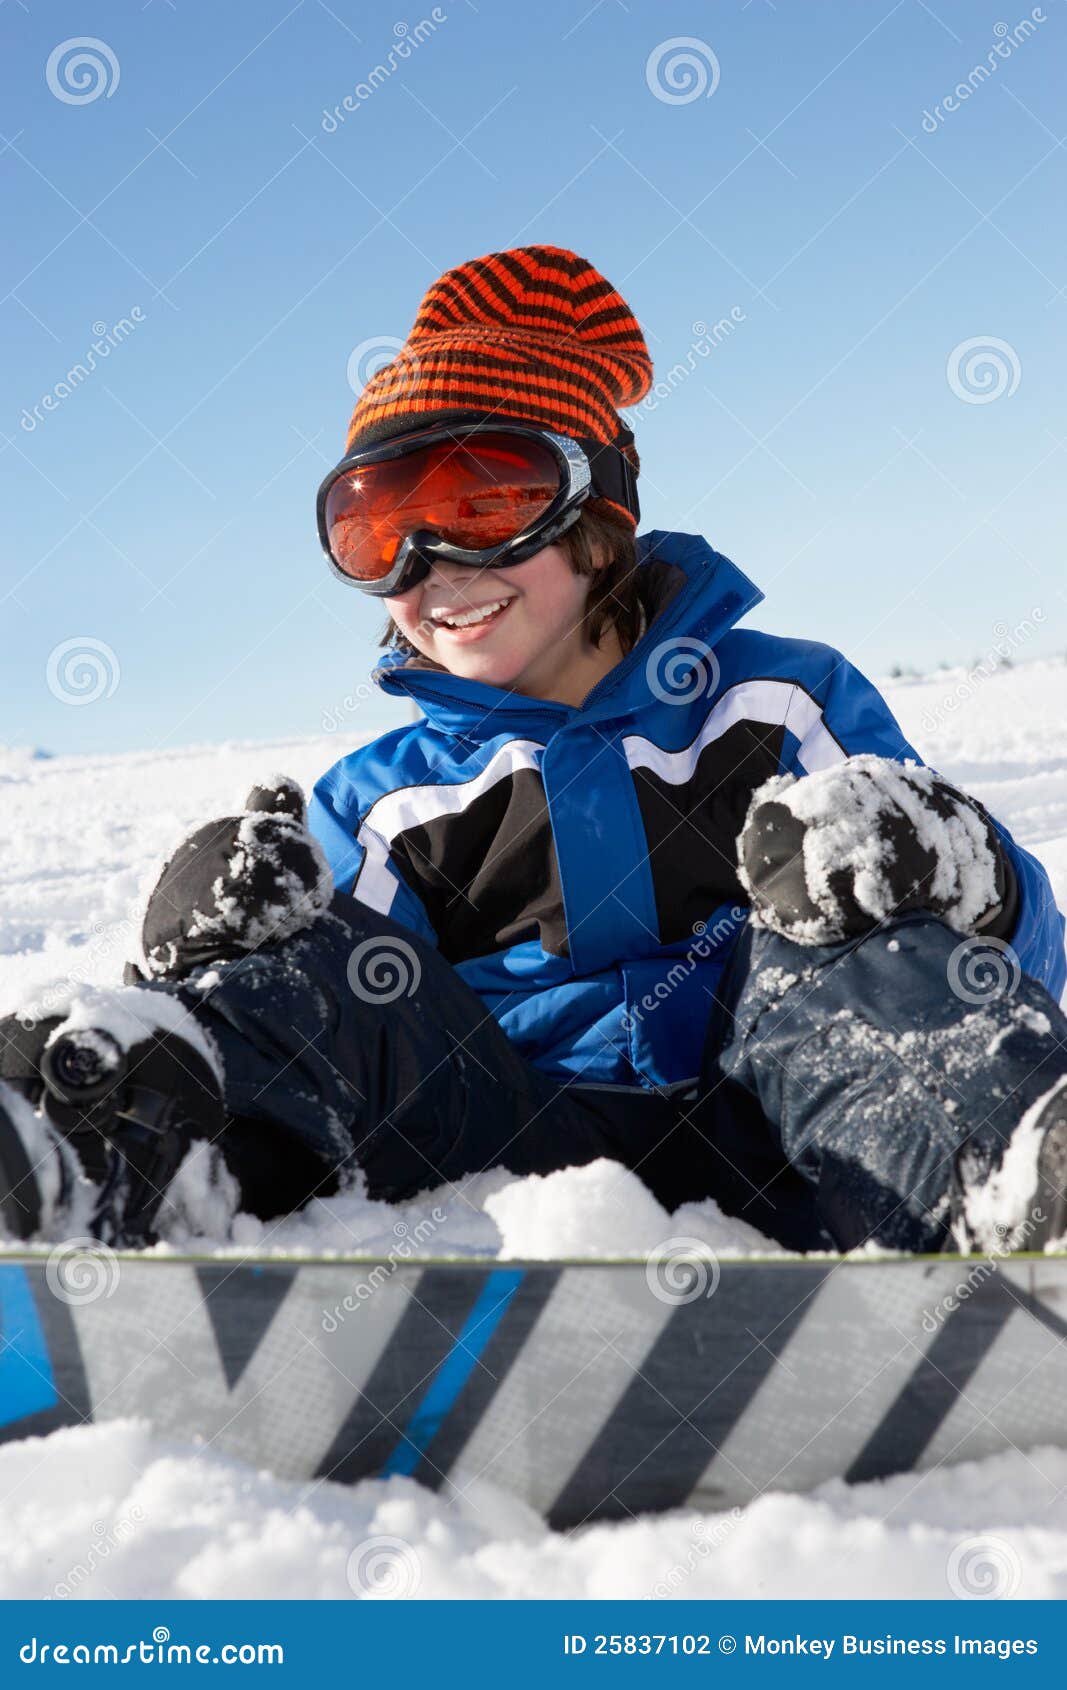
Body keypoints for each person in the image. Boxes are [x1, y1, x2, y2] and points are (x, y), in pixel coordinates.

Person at [2, 245, 1065, 1257]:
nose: (434, 566)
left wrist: (948, 863)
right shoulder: (385, 804)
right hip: (502, 1149)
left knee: (867, 933)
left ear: (593, 507)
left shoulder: (776, 703)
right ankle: (112, 1165)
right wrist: (229, 958)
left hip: (805, 1124)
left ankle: (1005, 1183)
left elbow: (999, 954)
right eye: (382, 532)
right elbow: (327, 1037)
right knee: (315, 972)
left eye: (483, 503)